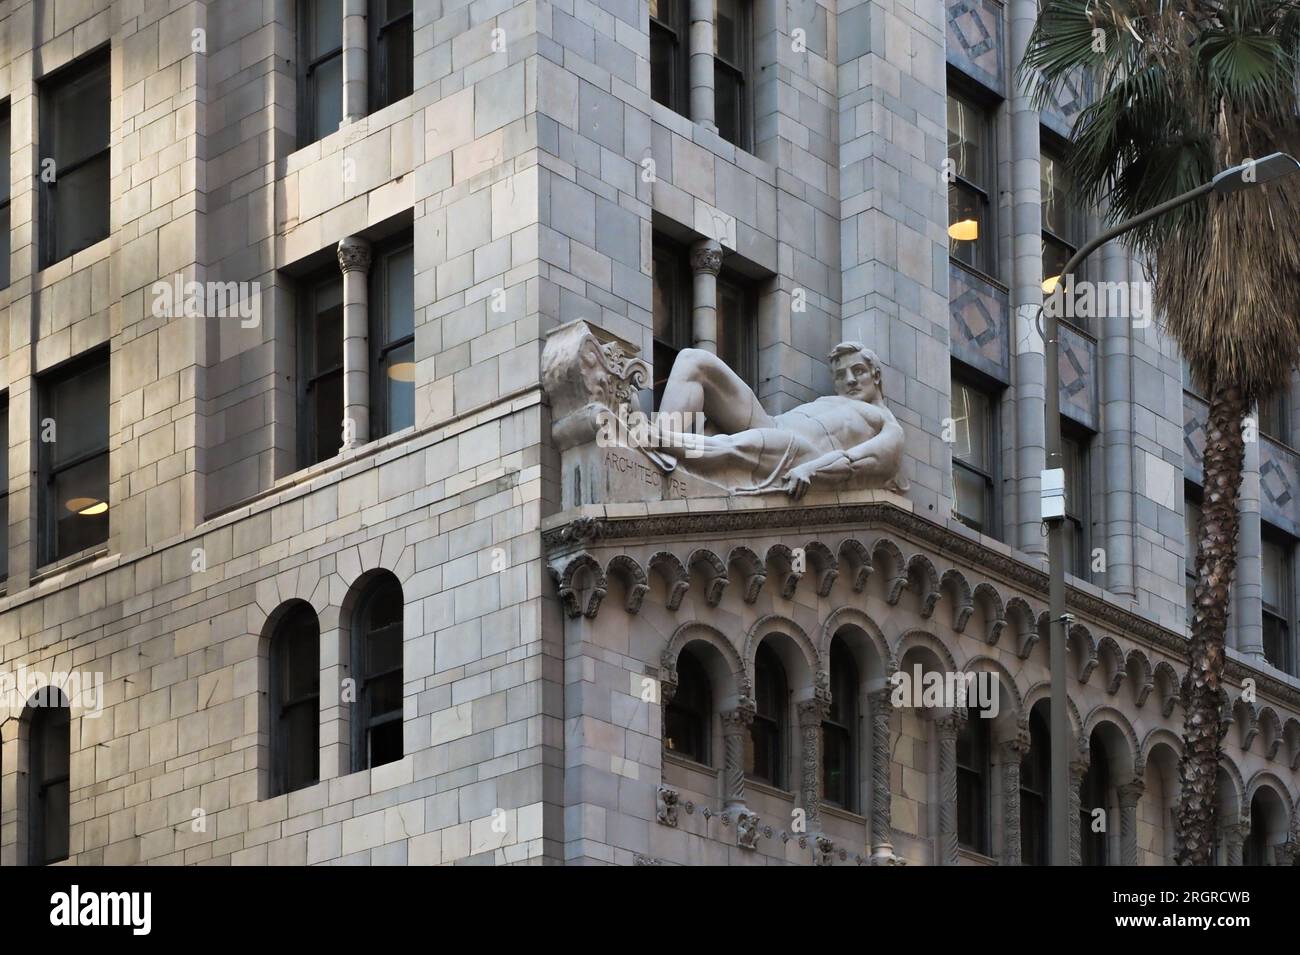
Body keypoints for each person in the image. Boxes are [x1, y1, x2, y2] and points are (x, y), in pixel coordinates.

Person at [653, 342, 907, 498]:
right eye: (841, 375)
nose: (850, 380)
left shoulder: (887, 426)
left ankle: (656, 440)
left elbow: (854, 461)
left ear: (876, 374)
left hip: (803, 453)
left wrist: (811, 470)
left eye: (858, 371)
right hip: (771, 423)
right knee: (693, 360)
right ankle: (656, 445)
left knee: (734, 446)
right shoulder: (830, 402)